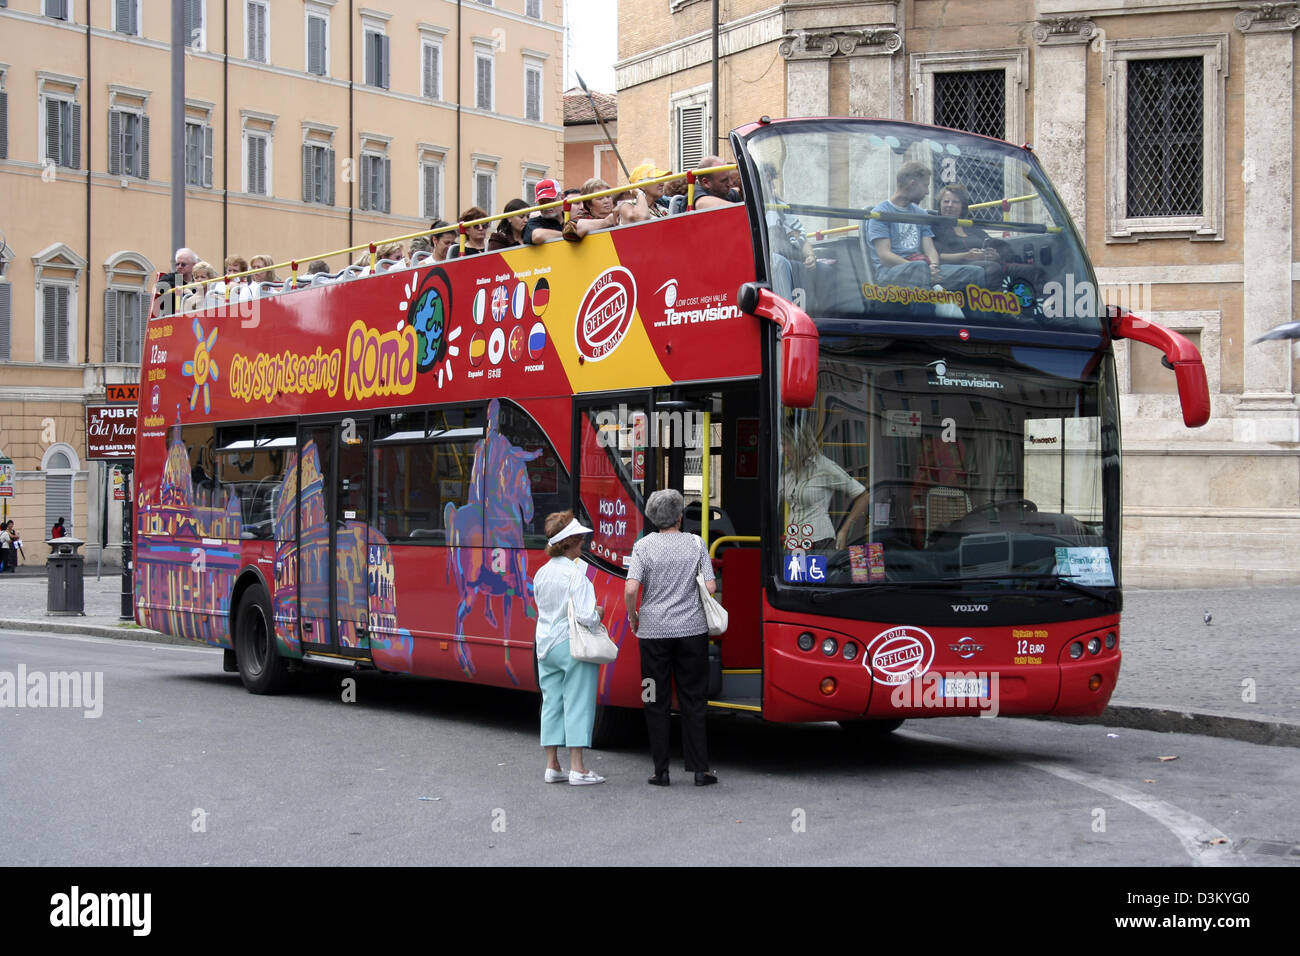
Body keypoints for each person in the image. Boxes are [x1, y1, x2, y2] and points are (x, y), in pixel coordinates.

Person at [624, 489, 717, 787]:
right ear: (679, 517)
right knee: (693, 698)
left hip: (652, 634)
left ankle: (660, 771)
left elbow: (630, 589)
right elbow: (712, 587)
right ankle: (700, 770)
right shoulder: (696, 543)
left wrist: (634, 615)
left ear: (653, 518)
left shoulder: (643, 547)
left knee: (654, 698)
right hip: (692, 632)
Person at [533, 511, 606, 786]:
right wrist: (598, 612)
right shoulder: (577, 576)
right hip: (572, 644)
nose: (582, 545)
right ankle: (578, 768)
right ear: (570, 543)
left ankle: (552, 765)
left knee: (551, 702)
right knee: (577, 701)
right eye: (579, 540)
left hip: (545, 644)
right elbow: (587, 616)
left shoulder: (541, 573)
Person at [865, 161, 983, 290]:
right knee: (919, 267)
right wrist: (924, 270)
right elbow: (885, 256)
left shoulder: (920, 214)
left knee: (975, 272)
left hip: (921, 267)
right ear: (912, 184)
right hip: (890, 272)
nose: (927, 192)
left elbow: (930, 249)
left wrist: (933, 266)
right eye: (925, 186)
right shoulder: (879, 213)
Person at [932, 183, 1046, 296]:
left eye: (955, 202)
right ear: (939, 204)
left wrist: (996, 255)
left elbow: (991, 243)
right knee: (992, 269)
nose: (950, 205)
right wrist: (965, 255)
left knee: (1033, 271)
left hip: (989, 263)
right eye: (946, 201)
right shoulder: (935, 227)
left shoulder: (970, 227)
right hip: (961, 267)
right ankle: (1001, 311)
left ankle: (1037, 310)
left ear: (963, 206)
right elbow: (937, 256)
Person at [781, 421, 870, 551]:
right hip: (793, 544)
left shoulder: (824, 467)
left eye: (785, 443)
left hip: (819, 544)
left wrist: (844, 530)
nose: (783, 450)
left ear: (798, 443)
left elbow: (863, 496)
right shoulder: (788, 471)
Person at [523, 179, 565, 245]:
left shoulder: (569, 216)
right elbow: (538, 236)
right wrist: (568, 235)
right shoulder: (534, 222)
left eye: (551, 200)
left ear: (562, 198)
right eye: (542, 202)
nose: (547, 205)